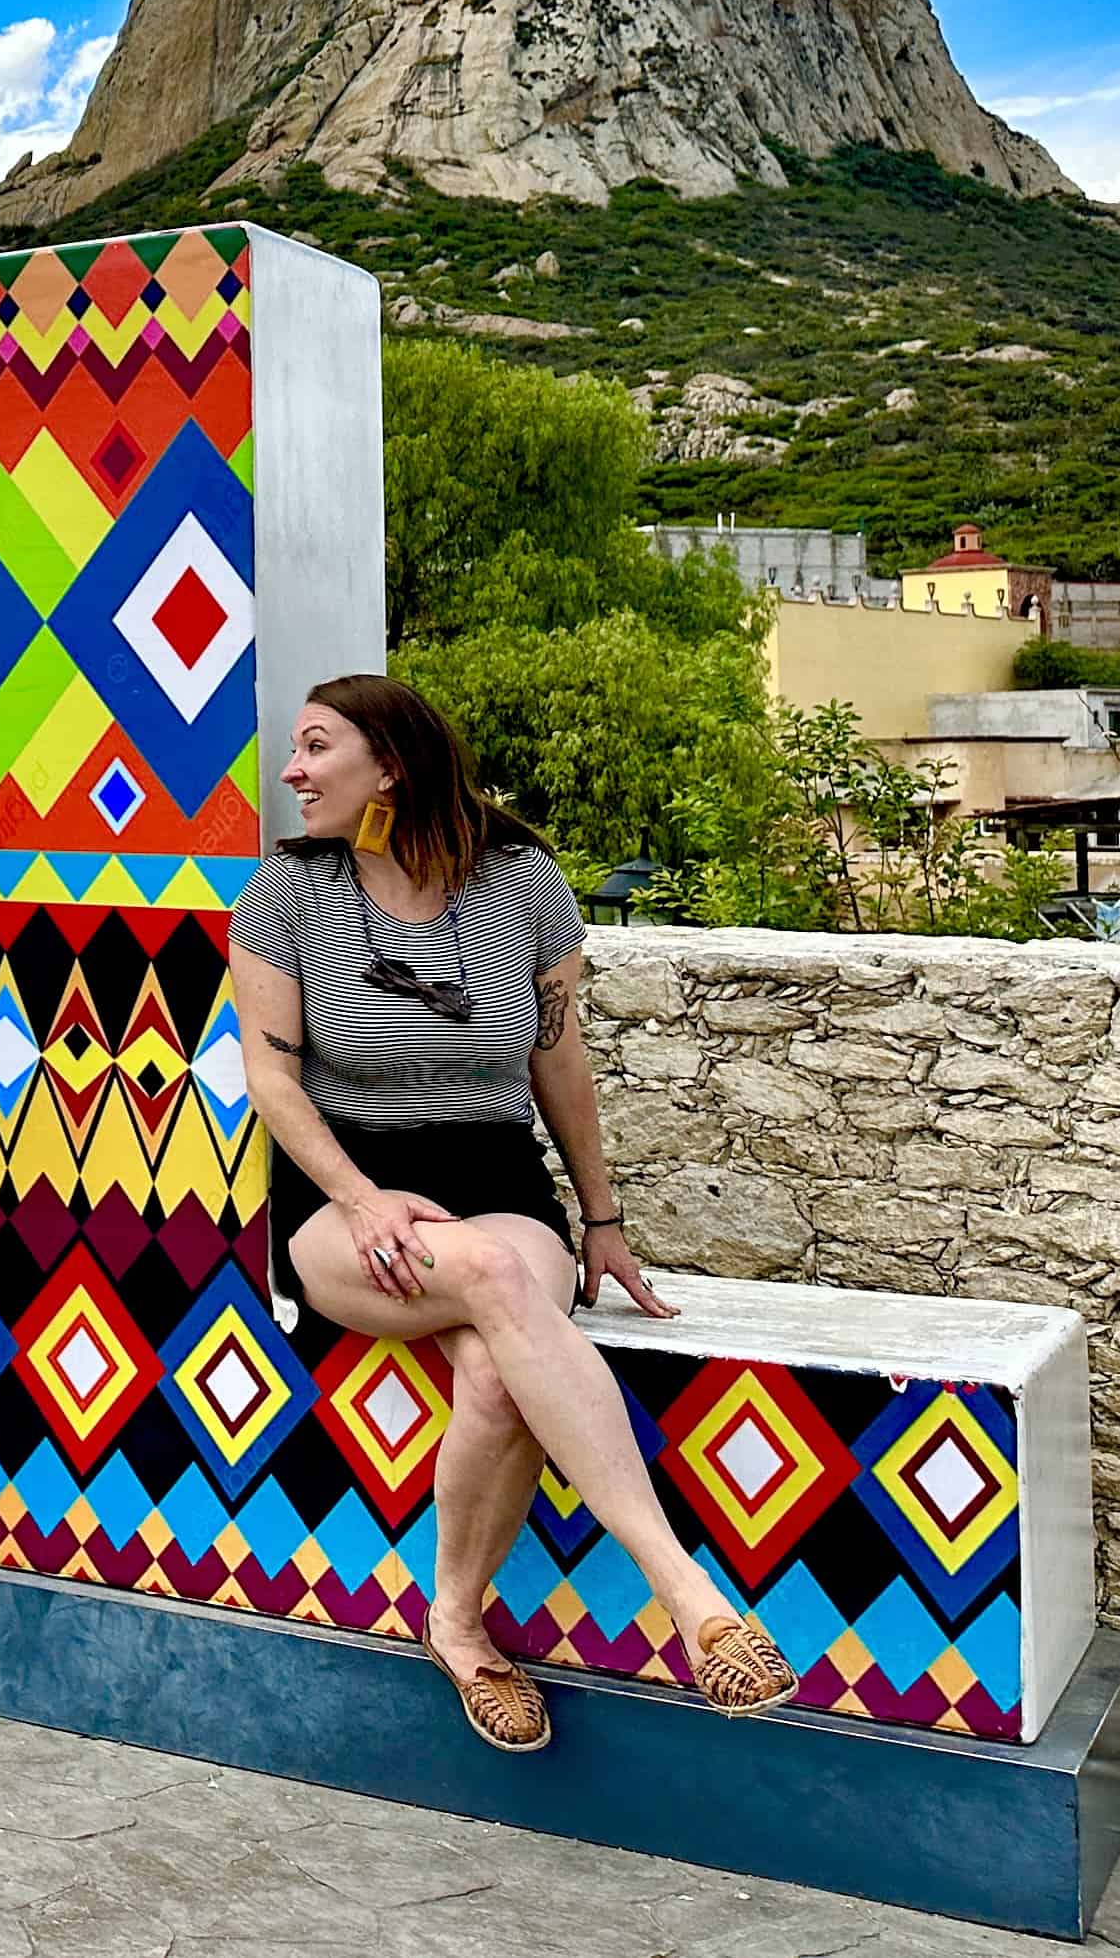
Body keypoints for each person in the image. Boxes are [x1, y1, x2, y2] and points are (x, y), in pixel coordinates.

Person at [232, 673, 795, 1752]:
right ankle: (689, 1594)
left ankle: (454, 1622)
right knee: (490, 1279)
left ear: (389, 763)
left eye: (315, 748)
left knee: (496, 1359)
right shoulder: (285, 892)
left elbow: (557, 1057)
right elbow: (273, 1079)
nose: (292, 771)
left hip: (496, 1174)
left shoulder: (524, 881)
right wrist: (358, 1193)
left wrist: (603, 1217)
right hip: (340, 1193)